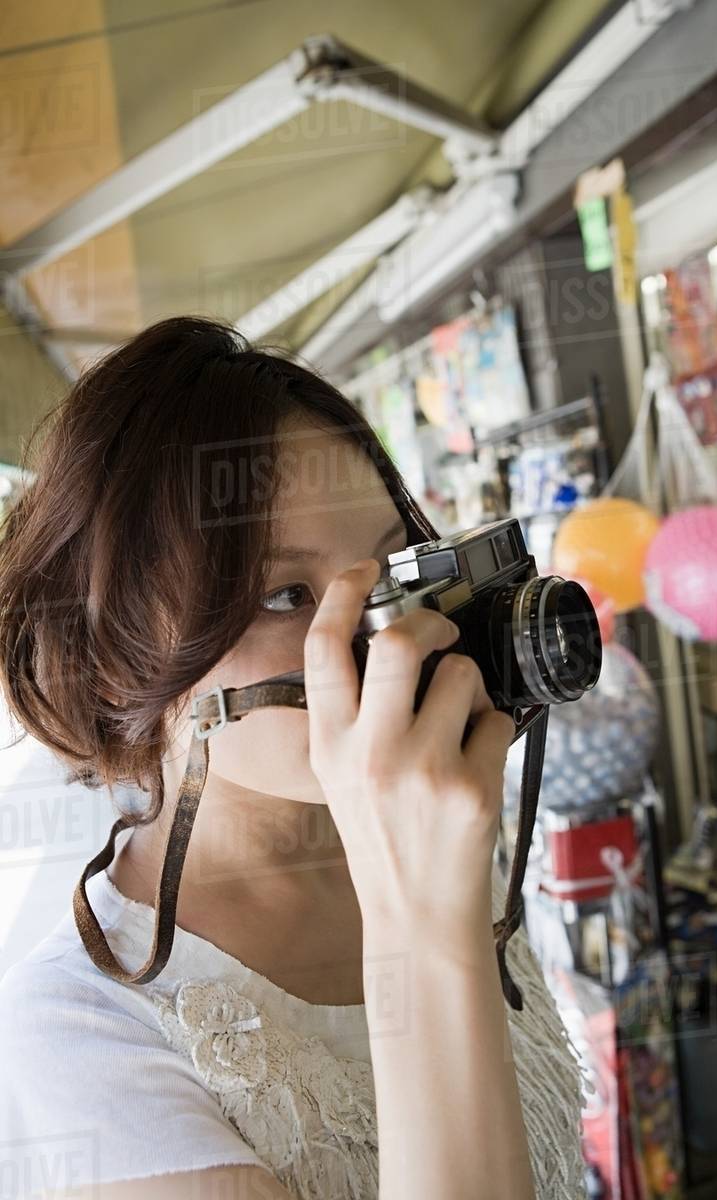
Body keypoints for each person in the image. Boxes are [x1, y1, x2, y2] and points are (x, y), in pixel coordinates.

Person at [0, 317, 585, 1200]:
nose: (382, 638)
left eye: (391, 568)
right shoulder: (78, 1037)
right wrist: (424, 915)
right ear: (114, 655)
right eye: (284, 594)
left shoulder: (425, 838)